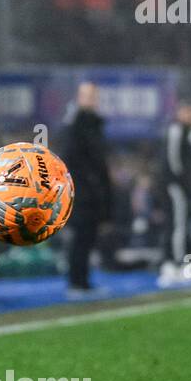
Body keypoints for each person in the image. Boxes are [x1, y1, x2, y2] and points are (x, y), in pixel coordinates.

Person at [62, 82, 113, 295]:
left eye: (94, 95)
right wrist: (85, 183)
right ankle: (76, 282)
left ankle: (83, 280)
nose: (91, 99)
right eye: (87, 95)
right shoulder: (75, 124)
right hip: (82, 190)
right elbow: (73, 159)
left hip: (94, 190)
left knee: (89, 235)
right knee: (81, 236)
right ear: (79, 98)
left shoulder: (95, 124)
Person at [158, 103, 191, 287]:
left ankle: (176, 263)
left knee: (178, 224)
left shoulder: (186, 132)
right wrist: (181, 180)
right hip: (175, 186)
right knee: (178, 224)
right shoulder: (177, 130)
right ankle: (176, 263)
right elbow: (174, 160)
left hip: (177, 185)